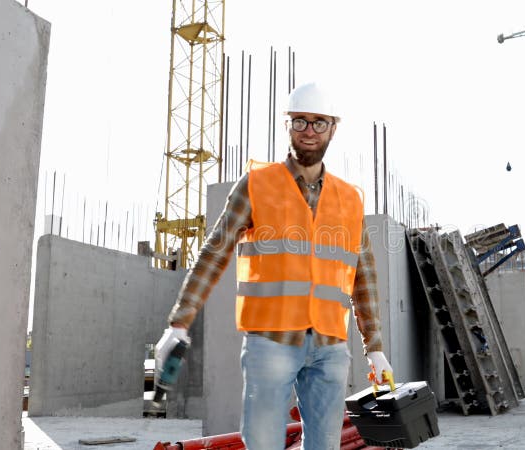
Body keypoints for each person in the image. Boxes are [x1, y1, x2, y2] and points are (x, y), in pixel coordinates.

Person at [155, 81, 393, 450]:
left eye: (319, 122)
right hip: (271, 342)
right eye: (300, 121)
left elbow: (364, 277)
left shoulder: (349, 199)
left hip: (330, 345)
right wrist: (179, 322)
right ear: (287, 125)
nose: (309, 131)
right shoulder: (257, 185)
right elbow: (213, 254)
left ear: (333, 127)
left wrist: (374, 347)